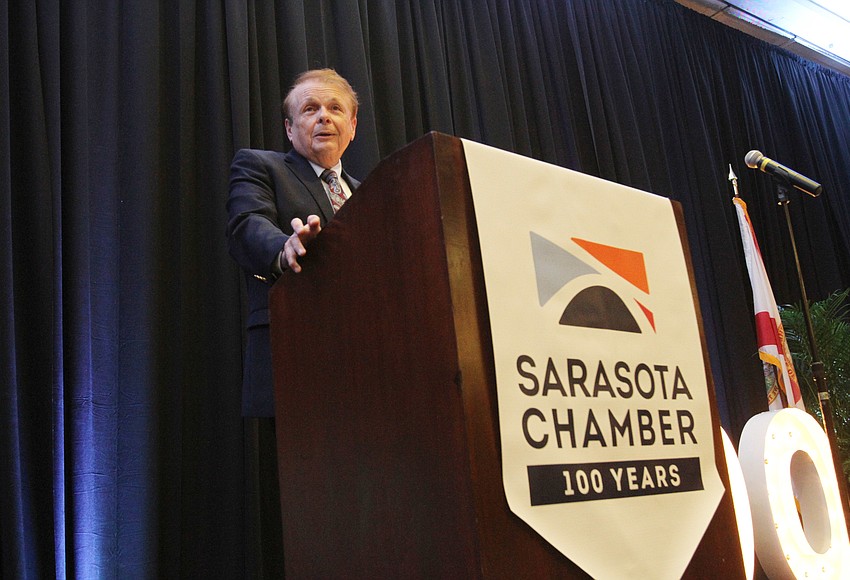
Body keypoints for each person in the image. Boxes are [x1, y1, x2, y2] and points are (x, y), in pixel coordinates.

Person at [225, 68, 360, 577]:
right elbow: (246, 227)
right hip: (296, 364)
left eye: (334, 108)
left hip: (371, 374)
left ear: (352, 125)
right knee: (306, 520)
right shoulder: (261, 167)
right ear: (289, 128)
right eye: (309, 109)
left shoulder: (375, 194)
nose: (322, 116)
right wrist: (284, 247)